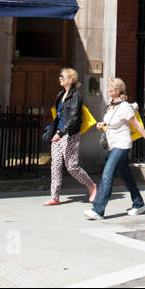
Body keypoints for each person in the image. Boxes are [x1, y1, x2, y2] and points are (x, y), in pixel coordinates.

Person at [85, 78, 145, 219]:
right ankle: (138, 203)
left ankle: (98, 210)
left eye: (110, 88)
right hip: (113, 144)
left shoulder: (125, 106)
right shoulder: (110, 104)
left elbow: (137, 125)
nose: (108, 90)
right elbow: (111, 121)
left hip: (122, 145)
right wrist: (102, 124)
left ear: (117, 91)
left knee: (107, 174)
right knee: (126, 175)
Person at [45, 68, 97, 205]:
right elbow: (59, 116)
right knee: (55, 165)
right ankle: (55, 197)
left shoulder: (75, 96)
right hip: (58, 133)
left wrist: (62, 133)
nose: (60, 78)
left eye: (62, 76)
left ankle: (91, 186)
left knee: (72, 166)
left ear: (70, 79)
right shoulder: (60, 94)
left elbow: (73, 118)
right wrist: (54, 131)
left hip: (70, 134)